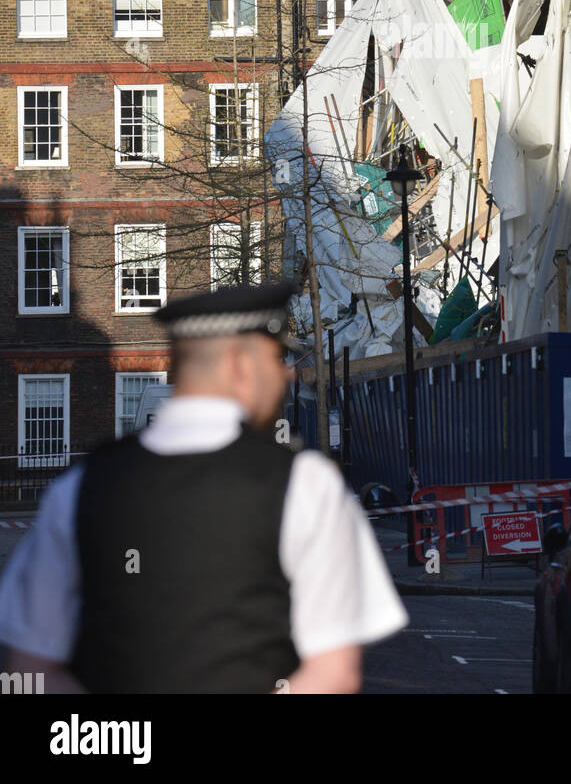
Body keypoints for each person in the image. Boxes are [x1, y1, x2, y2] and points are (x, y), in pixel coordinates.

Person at [0, 279, 408, 693]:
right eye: (277, 357)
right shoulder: (304, 486)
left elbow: (32, 667)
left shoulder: (79, 487)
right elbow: (332, 675)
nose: (286, 374)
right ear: (239, 364)